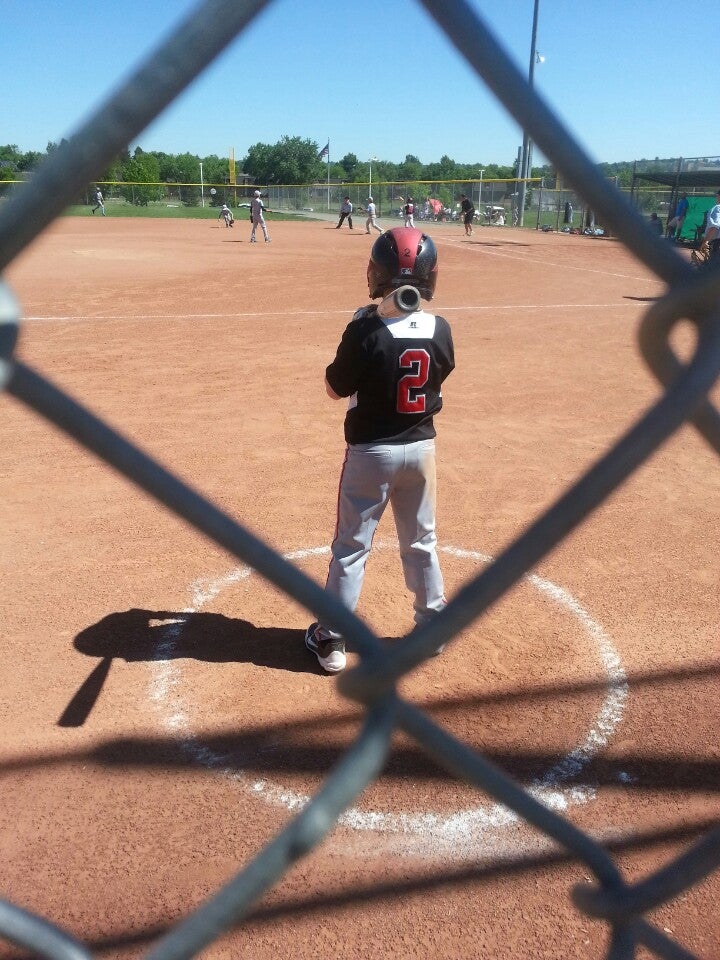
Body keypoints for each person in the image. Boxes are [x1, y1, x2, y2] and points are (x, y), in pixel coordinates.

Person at [304, 226, 455, 673]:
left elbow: (335, 388)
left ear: (377, 273)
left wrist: (359, 329)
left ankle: (331, 638)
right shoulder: (440, 328)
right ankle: (433, 625)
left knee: (352, 546)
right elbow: (437, 374)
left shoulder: (366, 328)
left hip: (371, 454)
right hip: (422, 449)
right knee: (421, 541)